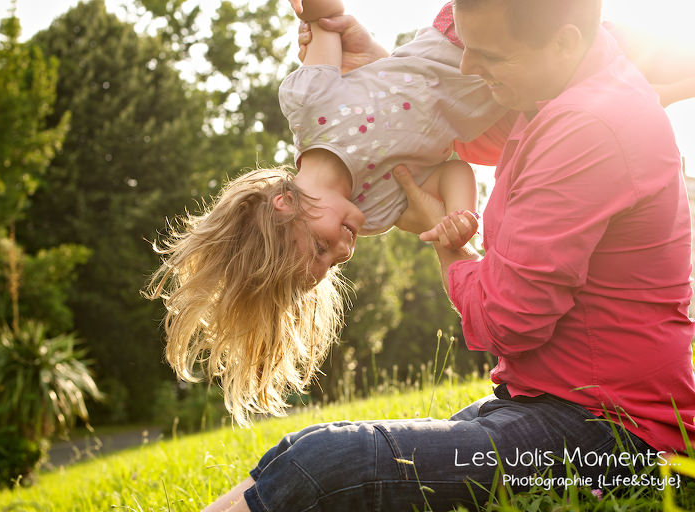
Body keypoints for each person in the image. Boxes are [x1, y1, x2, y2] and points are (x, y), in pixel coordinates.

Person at [202, 1, 695, 510]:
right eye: (465, 45)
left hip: (614, 439)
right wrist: (383, 66)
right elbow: (445, 119)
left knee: (332, 462)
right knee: (308, 451)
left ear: (563, 43)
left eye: (486, 54)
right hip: (544, 405)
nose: (466, 65)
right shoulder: (554, 97)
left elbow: (509, 322)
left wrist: (450, 249)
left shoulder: (587, 125)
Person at [145, 0, 506, 426]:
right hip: (504, 104)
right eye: (331, 262)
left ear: (283, 204)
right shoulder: (376, 213)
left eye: (319, 246)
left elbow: (326, 19)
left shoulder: (310, 105)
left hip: (469, 36)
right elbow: (453, 172)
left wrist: (316, 13)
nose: (342, 251)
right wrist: (460, 216)